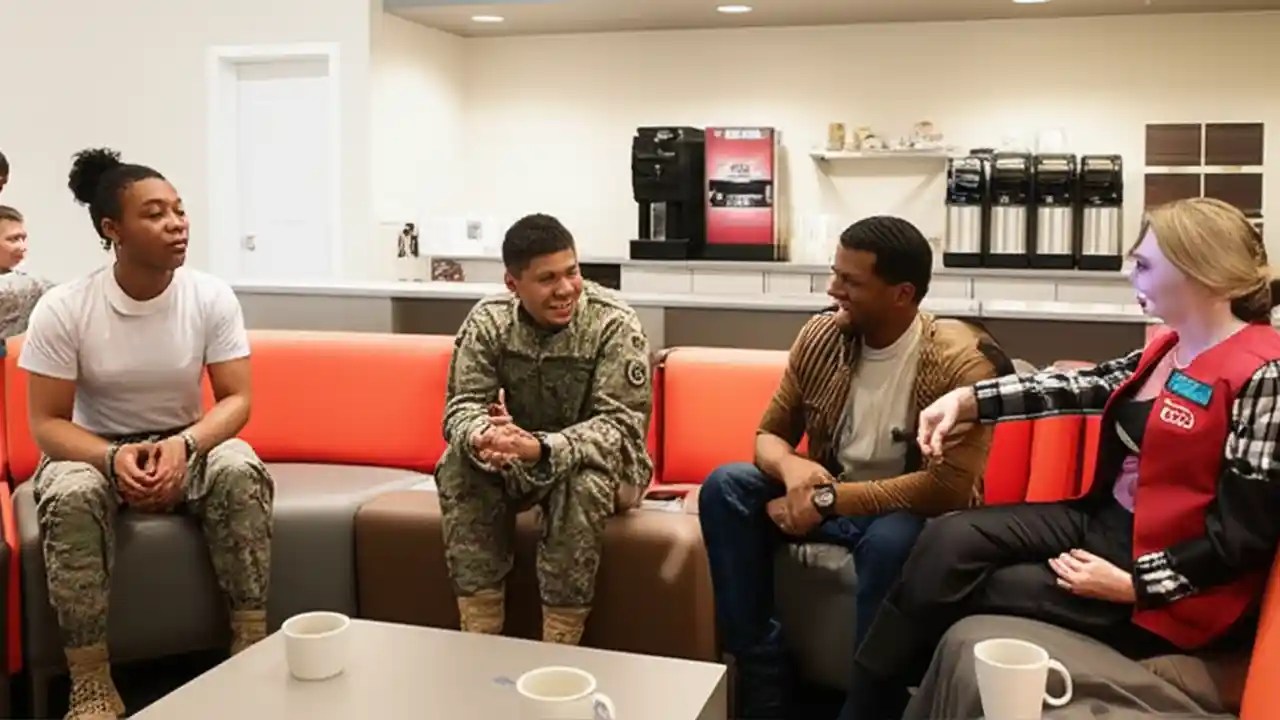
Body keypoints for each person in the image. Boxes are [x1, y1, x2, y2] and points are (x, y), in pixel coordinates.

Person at [843, 197, 1280, 720]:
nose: (1128, 274)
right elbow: (1083, 384)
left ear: (1200, 272)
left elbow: (1241, 537)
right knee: (946, 538)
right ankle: (870, 699)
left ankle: (878, 707)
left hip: (1162, 577)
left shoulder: (1264, 374)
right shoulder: (1171, 346)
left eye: (1142, 265)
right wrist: (970, 401)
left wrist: (1135, 585)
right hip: (1106, 522)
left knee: (981, 588)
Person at [697, 216, 1012, 719]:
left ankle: (868, 704)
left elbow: (947, 489)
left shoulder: (964, 361)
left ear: (902, 294)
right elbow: (768, 436)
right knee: (725, 487)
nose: (832, 289)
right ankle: (762, 673)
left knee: (893, 540)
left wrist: (822, 500)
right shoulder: (822, 336)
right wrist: (795, 472)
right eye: (834, 273)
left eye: (850, 281)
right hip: (827, 489)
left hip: (906, 508)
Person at [21, 148, 274, 720]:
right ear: (113, 229)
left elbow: (238, 399)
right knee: (70, 495)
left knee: (240, 468)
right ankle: (89, 679)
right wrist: (113, 458)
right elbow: (47, 424)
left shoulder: (209, 296)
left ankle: (252, 643)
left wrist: (185, 446)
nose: (177, 223)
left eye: (179, 210)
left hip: (185, 440)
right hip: (92, 447)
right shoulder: (65, 307)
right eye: (156, 213)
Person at [437, 213, 653, 646]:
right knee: (457, 465)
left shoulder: (613, 321)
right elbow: (461, 407)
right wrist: (483, 438)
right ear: (513, 284)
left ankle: (559, 644)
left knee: (580, 481)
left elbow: (621, 428)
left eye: (571, 272)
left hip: (607, 464)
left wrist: (544, 448)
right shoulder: (490, 321)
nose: (565, 289)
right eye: (547, 278)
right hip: (522, 458)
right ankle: (479, 636)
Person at [0, 205, 54, 338]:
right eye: (13, 239)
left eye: (23, 239)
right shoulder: (29, 286)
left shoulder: (30, 284)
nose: (22, 247)